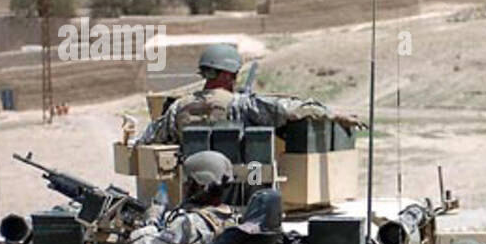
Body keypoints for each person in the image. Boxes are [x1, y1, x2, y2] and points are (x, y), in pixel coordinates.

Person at [70, 150, 237, 244]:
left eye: (188, 182)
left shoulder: (189, 224)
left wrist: (148, 225)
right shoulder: (231, 220)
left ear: (200, 186)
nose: (185, 186)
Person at [136, 43, 362, 145]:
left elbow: (149, 138)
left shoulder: (179, 107)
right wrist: (333, 115)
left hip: (194, 185)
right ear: (227, 75)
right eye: (234, 75)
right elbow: (291, 108)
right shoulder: (241, 105)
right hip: (238, 187)